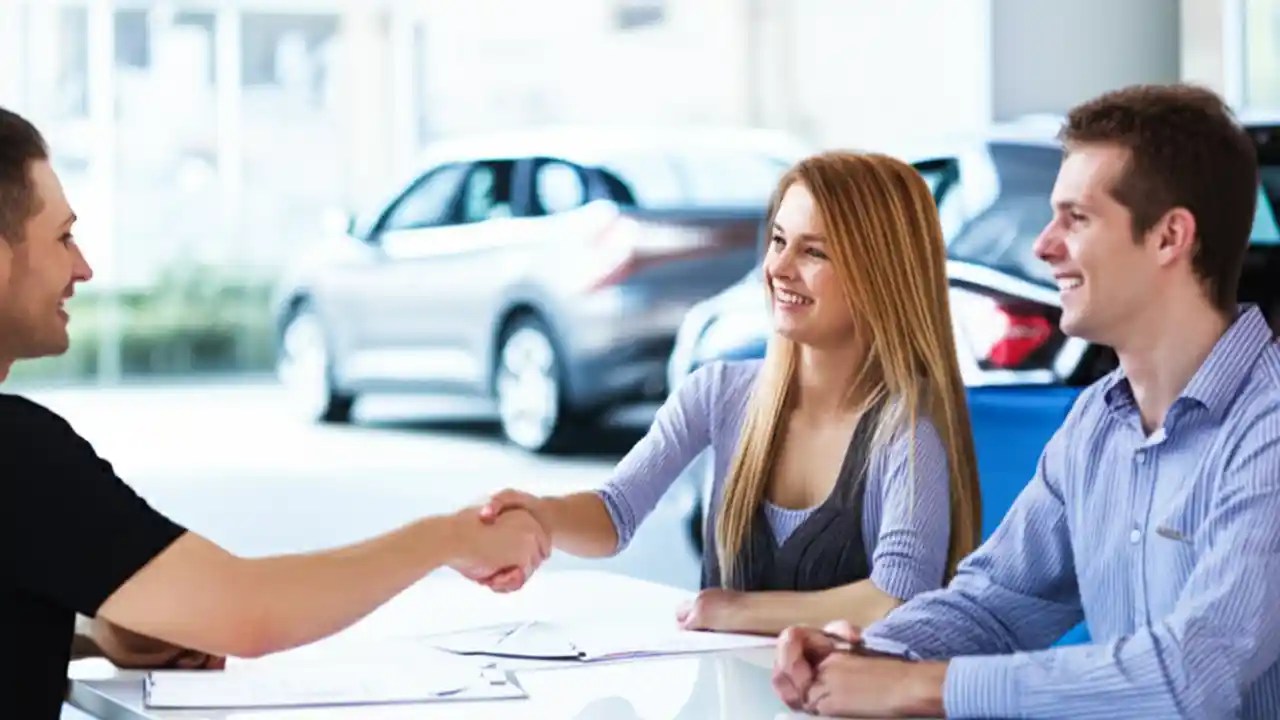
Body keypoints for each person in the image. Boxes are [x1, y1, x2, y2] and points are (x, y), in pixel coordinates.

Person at [0, 107, 550, 720]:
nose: (83, 267)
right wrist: (448, 537)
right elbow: (248, 610)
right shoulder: (18, 453)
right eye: (63, 237)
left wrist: (90, 634)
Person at [772, 83, 1280, 719]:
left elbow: (1192, 674)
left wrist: (921, 688)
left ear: (1169, 237)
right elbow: (995, 603)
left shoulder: (1267, 428)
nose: (1042, 246)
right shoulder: (1097, 423)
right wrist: (869, 654)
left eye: (1077, 218)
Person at [475, 150, 984, 636]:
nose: (779, 269)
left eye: (813, 251)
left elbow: (896, 599)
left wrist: (740, 610)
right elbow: (615, 511)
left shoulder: (907, 430)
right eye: (779, 241)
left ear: (881, 273)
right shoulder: (717, 392)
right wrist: (540, 517)